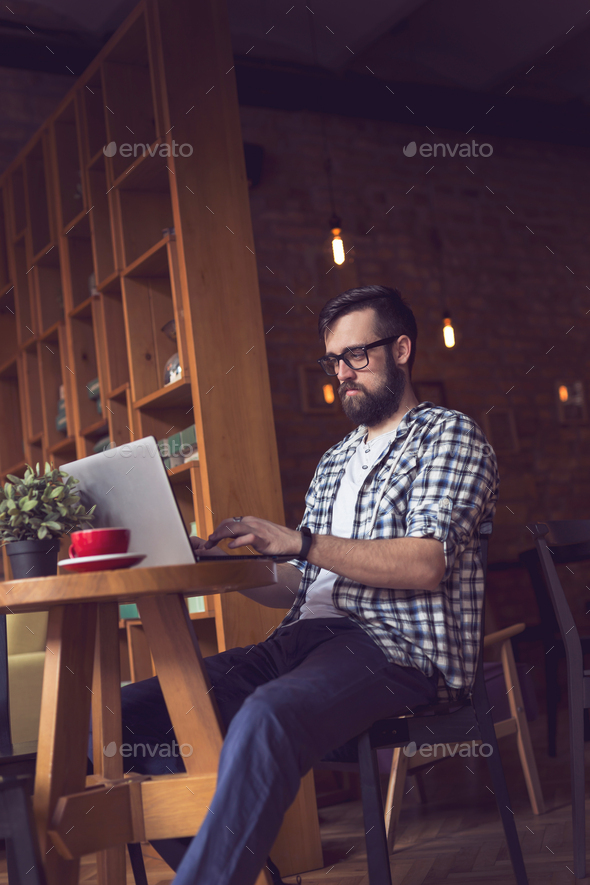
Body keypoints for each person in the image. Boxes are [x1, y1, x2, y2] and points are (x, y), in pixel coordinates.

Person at [118, 285, 499, 885]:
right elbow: (303, 583)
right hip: (298, 640)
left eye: (357, 356)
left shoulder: (448, 436)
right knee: (119, 720)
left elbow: (427, 563)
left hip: (393, 647)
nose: (343, 373)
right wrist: (221, 566)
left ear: (401, 349)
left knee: (269, 714)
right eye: (333, 361)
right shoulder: (333, 462)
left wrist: (299, 541)